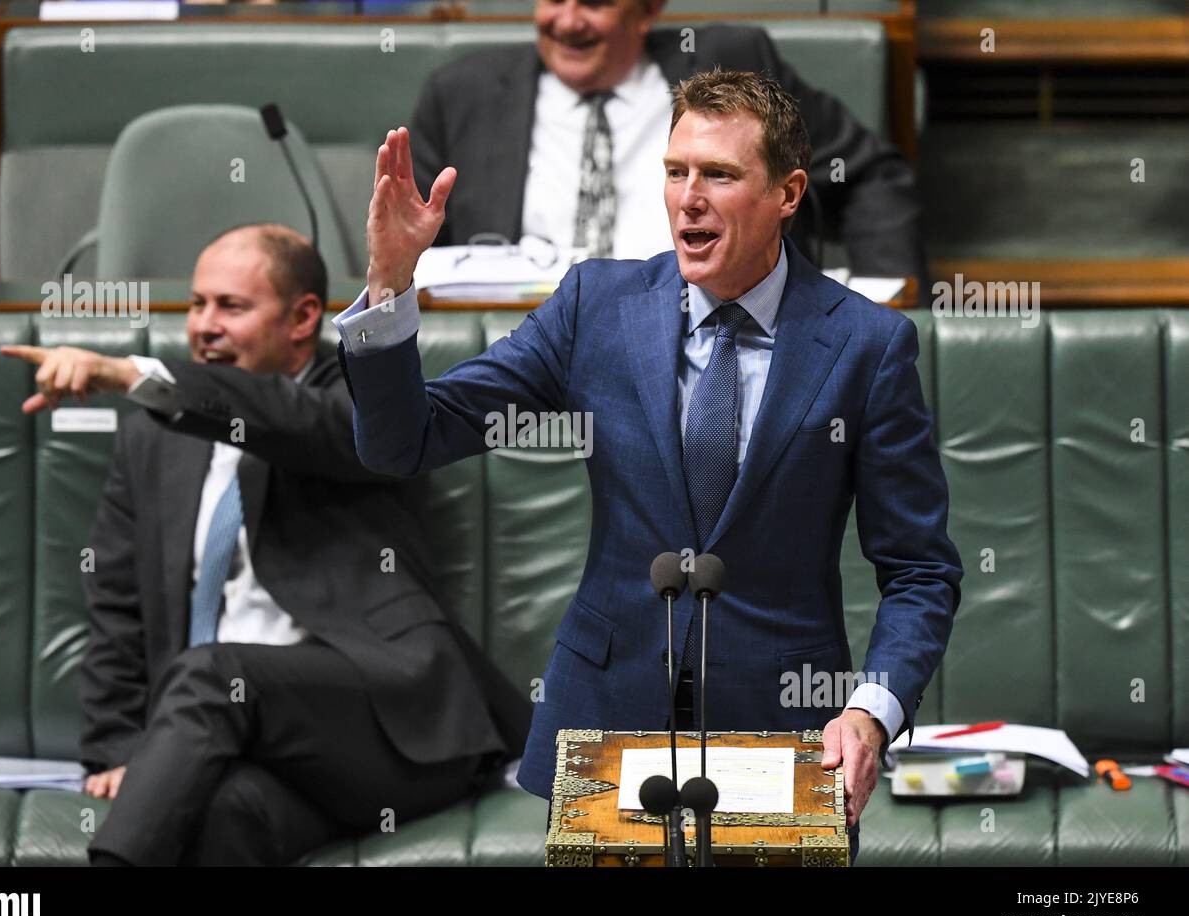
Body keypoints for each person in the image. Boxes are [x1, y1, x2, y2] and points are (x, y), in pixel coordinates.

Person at [335, 69, 962, 865]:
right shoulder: (596, 307)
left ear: (789, 193)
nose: (689, 198)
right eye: (676, 172)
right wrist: (390, 285)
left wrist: (871, 712)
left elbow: (920, 571)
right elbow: (407, 441)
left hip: (784, 726)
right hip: (607, 715)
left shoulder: (868, 346)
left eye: (721, 175)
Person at [0, 223, 530, 866]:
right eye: (196, 305)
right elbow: (118, 606)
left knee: (213, 675)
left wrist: (132, 374)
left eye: (231, 306)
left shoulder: (365, 406)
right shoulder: (152, 439)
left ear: (304, 317)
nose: (204, 326)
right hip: (243, 742)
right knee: (226, 814)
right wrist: (116, 749)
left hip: (390, 731)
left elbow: (282, 416)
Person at [411, 0, 925, 282]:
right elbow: (410, 238)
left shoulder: (733, 61)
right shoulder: (461, 94)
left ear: (649, 9)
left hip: (703, 333)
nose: (567, 21)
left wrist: (884, 308)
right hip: (519, 340)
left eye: (594, 2)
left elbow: (870, 178)